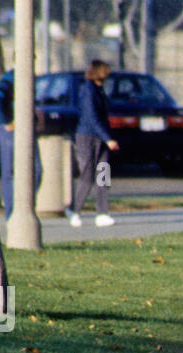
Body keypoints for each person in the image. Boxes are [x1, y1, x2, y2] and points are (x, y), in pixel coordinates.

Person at [68, 60, 118, 228]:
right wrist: (108, 138)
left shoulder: (99, 89)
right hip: (87, 137)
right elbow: (92, 117)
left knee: (103, 174)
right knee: (87, 176)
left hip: (102, 138)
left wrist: (107, 137)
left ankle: (103, 213)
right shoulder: (88, 90)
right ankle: (74, 210)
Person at [0, 69, 41, 219]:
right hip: (11, 129)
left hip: (27, 129)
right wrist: (5, 121)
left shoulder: (30, 76)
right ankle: (11, 213)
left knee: (37, 170)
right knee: (9, 171)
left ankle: (24, 205)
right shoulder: (11, 77)